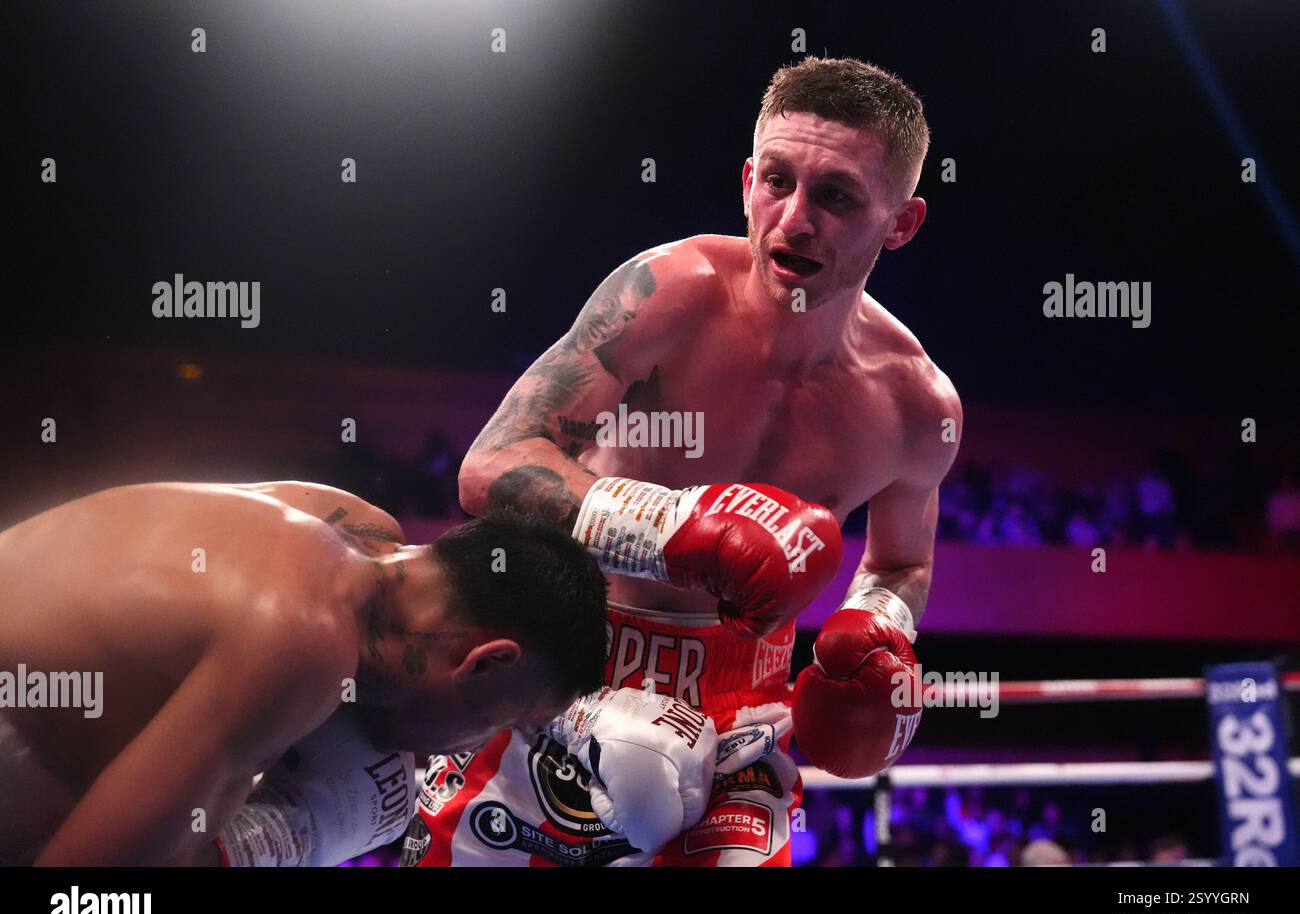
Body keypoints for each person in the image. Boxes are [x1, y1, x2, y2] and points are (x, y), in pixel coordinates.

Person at [405, 55, 961, 867]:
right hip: (564, 672)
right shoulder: (667, 292)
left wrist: (878, 628)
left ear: (901, 222)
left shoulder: (917, 405)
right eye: (777, 181)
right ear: (746, 181)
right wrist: (670, 524)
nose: (794, 220)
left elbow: (902, 561)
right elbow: (491, 466)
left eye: (836, 196)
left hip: (742, 719)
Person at [0, 480, 607, 865]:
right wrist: (283, 835)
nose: (471, 748)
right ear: (487, 661)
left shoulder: (346, 522)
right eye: (499, 722)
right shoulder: (307, 642)